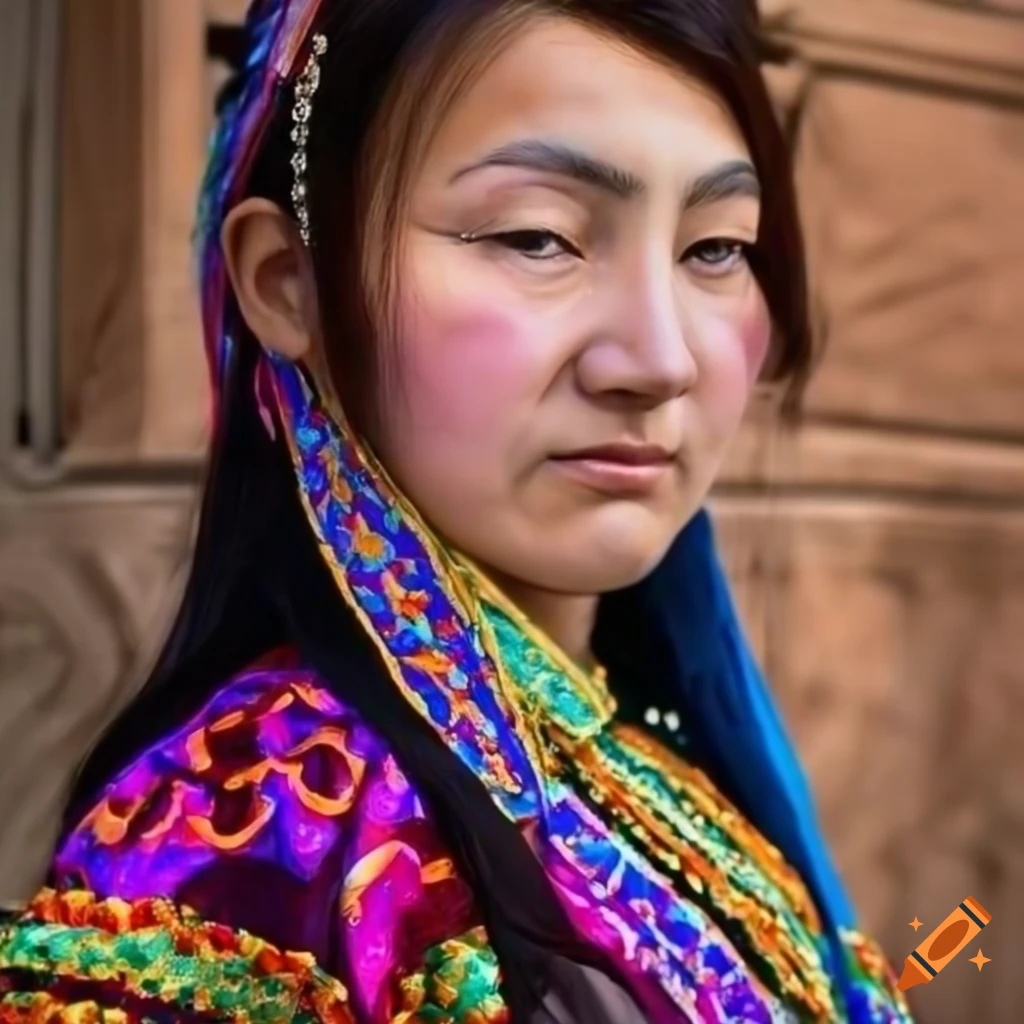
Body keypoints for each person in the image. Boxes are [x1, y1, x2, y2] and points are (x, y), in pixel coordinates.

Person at [0, 1, 916, 1021]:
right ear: (290, 283)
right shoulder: (257, 832)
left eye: (715, 248)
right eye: (537, 237)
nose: (660, 360)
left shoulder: (643, 752)